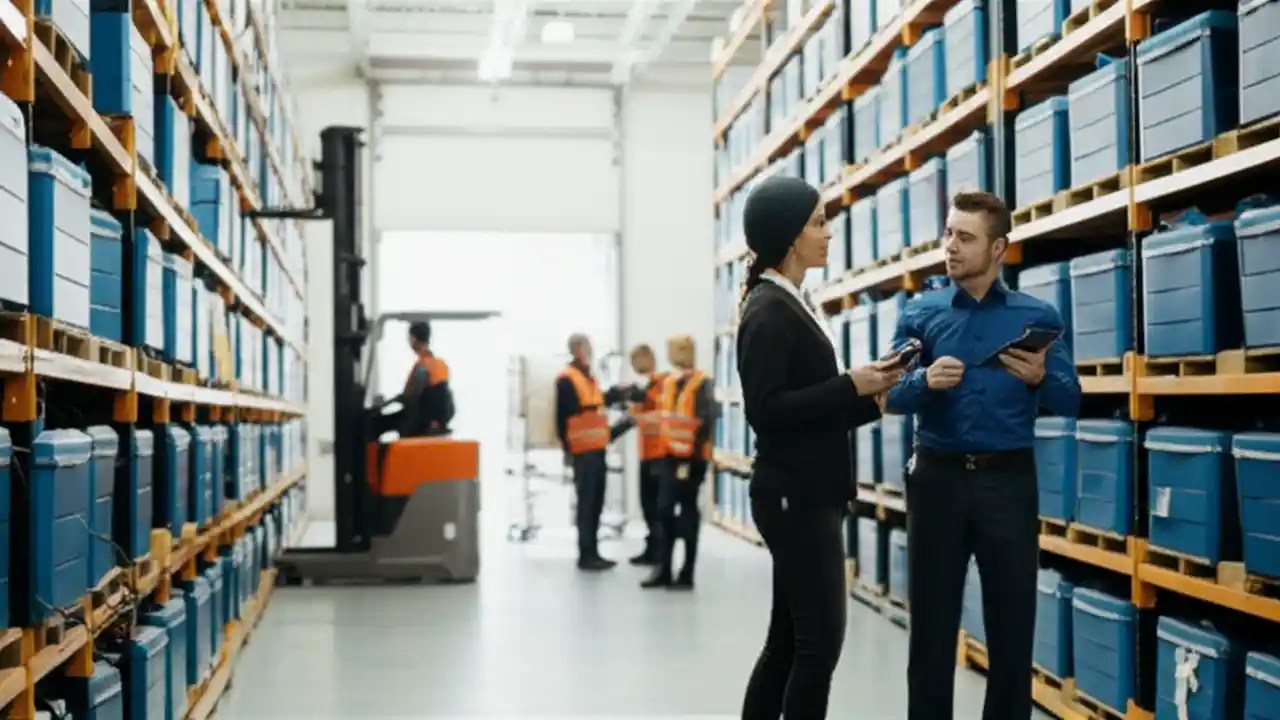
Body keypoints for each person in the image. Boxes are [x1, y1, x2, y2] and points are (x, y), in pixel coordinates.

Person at [883, 191, 1082, 720]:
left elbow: (1071, 397)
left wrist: (1042, 377)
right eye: (949, 233)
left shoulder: (1037, 316)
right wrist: (923, 380)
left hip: (1008, 484)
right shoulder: (919, 313)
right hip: (937, 481)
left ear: (998, 248)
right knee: (930, 629)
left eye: (965, 237)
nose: (950, 246)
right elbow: (888, 396)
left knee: (1013, 630)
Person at [736, 176, 903, 719]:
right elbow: (768, 411)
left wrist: (876, 392)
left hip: (805, 492)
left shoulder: (790, 302)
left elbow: (812, 410)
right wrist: (849, 385)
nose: (829, 233)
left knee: (788, 640)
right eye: (818, 222)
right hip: (795, 498)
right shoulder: (768, 311)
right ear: (788, 237)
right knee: (818, 644)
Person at [640, 335, 716, 590]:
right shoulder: (670, 383)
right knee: (663, 511)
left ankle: (686, 571)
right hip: (669, 457)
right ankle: (664, 568)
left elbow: (706, 421)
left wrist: (690, 453)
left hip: (691, 459)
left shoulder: (703, 383)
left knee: (687, 511)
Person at [555, 333, 634, 571]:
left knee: (596, 502)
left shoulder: (586, 377)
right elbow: (562, 418)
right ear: (578, 349)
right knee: (587, 504)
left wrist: (619, 394)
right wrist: (567, 450)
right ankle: (586, 554)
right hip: (583, 451)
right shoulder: (567, 379)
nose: (591, 351)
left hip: (596, 448)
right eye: (587, 347)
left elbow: (596, 403)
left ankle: (593, 552)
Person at [626, 344, 669, 566]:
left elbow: (660, 414)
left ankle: (659, 550)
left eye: (636, 361)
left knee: (655, 506)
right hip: (646, 452)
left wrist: (640, 405)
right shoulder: (649, 385)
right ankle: (652, 547)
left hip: (658, 453)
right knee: (647, 505)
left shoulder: (662, 383)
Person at [376, 320, 455, 438]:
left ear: (413, 339)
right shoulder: (440, 364)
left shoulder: (422, 366)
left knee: (377, 424)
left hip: (421, 420)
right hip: (434, 418)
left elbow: (411, 396)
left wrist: (384, 404)